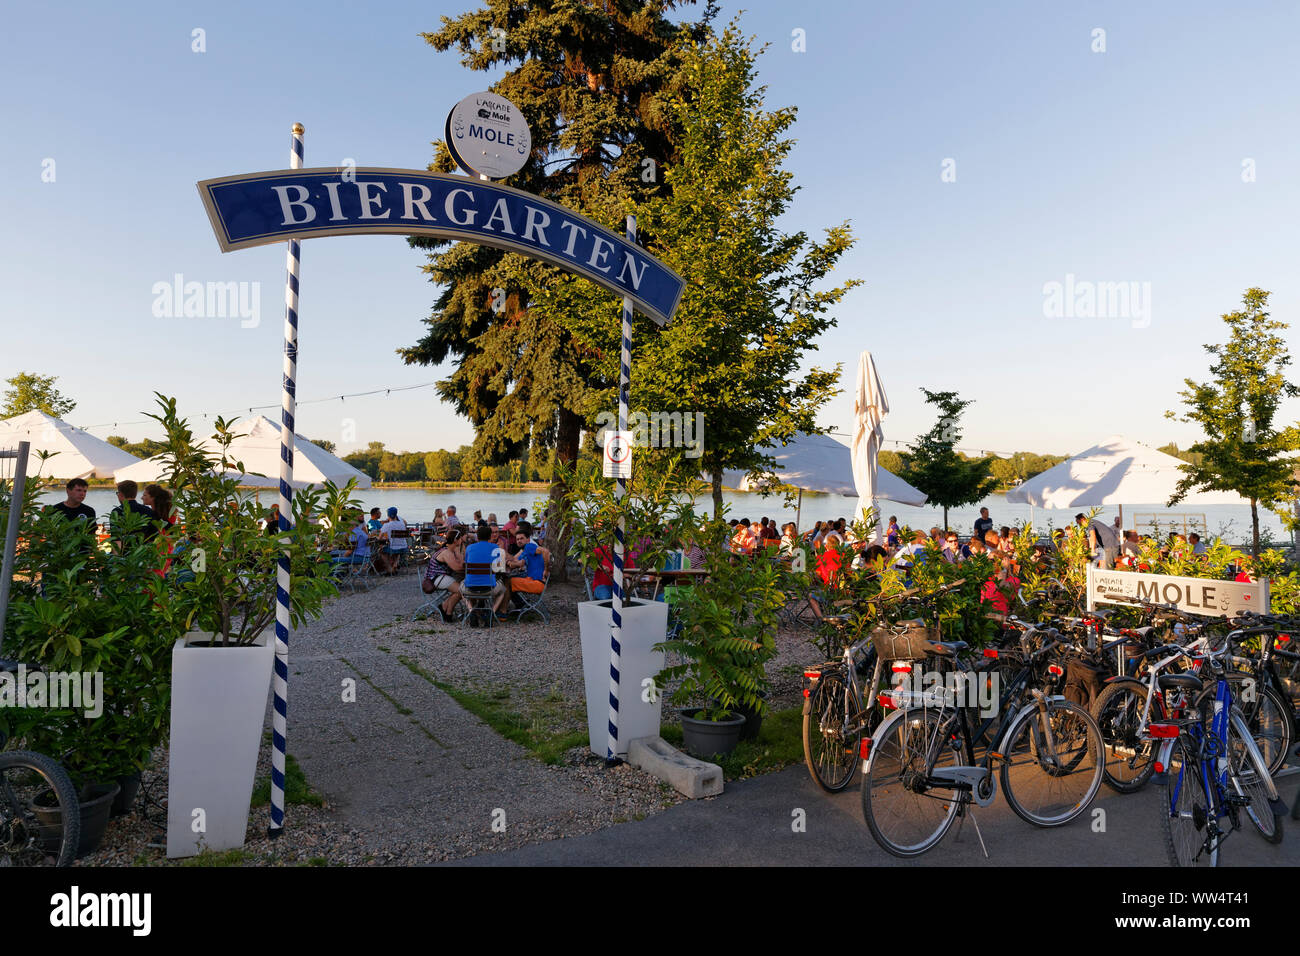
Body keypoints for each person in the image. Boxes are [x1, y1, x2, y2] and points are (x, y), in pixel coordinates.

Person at [463, 523, 508, 627]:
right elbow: (499, 568)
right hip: (489, 588)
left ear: (477, 537)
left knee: (461, 588)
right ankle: (491, 612)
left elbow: (465, 564)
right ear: (489, 536)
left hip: (471, 588)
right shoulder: (495, 547)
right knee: (503, 590)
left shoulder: (469, 548)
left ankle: (471, 611)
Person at [500, 522, 547, 617]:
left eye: (521, 538)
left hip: (536, 582)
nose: (519, 541)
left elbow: (546, 551)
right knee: (510, 578)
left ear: (528, 539)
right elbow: (518, 561)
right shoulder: (527, 548)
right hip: (534, 579)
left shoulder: (530, 546)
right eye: (517, 539)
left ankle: (503, 612)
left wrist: (547, 569)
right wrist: (508, 560)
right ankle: (520, 605)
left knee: (507, 581)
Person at [421, 526, 466, 621]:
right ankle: (447, 612)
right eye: (460, 538)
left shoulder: (448, 549)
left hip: (441, 577)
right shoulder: (446, 552)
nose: (462, 540)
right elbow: (458, 568)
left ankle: (445, 607)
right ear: (456, 541)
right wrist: (459, 553)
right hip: (435, 579)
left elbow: (460, 566)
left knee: (461, 590)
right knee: (462, 591)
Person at [376, 506, 410, 574]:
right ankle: (395, 564)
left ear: (388, 515)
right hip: (404, 547)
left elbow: (379, 538)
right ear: (396, 514)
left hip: (393, 548)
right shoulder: (402, 524)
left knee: (382, 551)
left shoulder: (386, 525)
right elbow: (405, 523)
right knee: (397, 549)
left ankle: (389, 569)